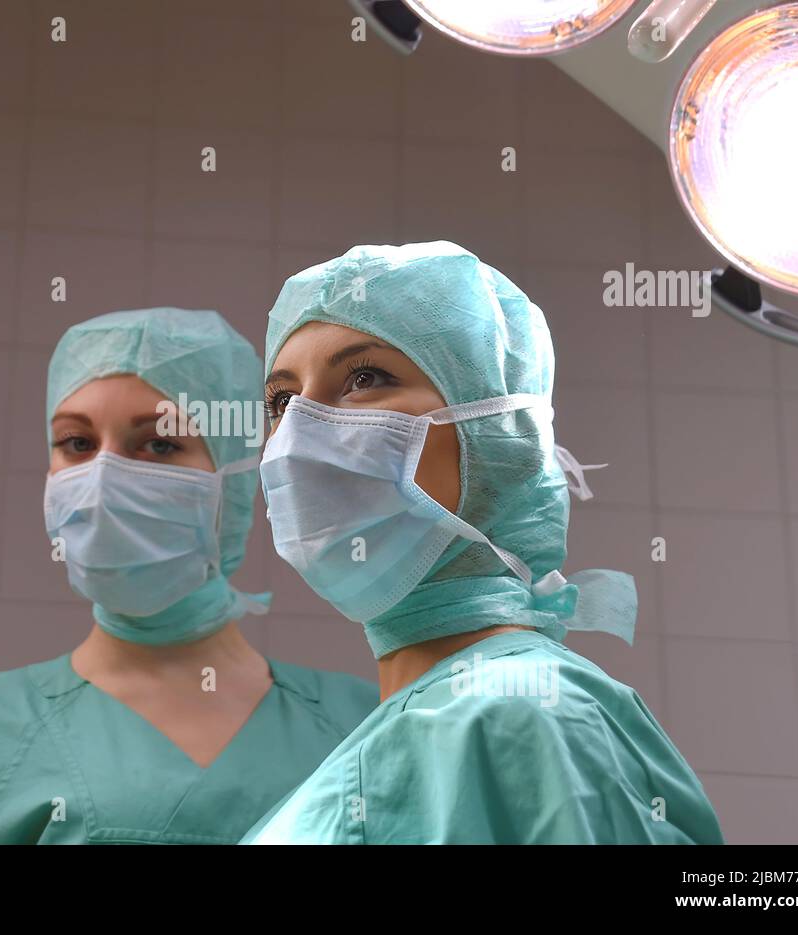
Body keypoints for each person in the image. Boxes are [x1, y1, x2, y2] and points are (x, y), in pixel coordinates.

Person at [240, 243, 723, 844]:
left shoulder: (523, 715)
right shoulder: (418, 728)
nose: (299, 433)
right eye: (283, 401)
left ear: (495, 432)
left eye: (365, 378)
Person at [0, 307, 378, 844]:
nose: (102, 478)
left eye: (159, 444)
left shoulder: (363, 725)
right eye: (77, 443)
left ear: (233, 478)